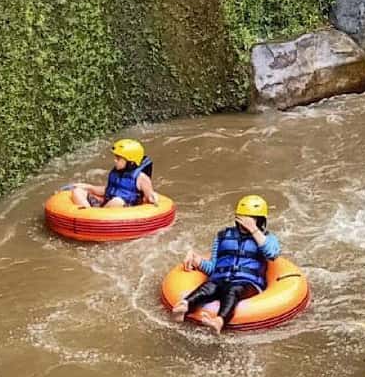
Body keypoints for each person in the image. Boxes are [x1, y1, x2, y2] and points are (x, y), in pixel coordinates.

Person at [172, 195, 281, 335]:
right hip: (220, 280)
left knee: (233, 289)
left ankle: (218, 321)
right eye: (242, 218)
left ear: (260, 221)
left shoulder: (268, 239)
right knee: (209, 287)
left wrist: (254, 230)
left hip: (247, 284)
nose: (245, 223)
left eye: (250, 219)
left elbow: (271, 254)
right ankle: (184, 306)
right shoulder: (223, 236)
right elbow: (213, 268)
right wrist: (196, 260)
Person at [70, 139, 158, 209]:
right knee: (77, 191)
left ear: (130, 162)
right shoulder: (116, 172)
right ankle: (89, 215)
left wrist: (152, 197)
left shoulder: (141, 178)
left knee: (117, 201)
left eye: (118, 158)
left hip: (125, 209)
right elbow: (108, 190)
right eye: (115, 157)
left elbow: (149, 196)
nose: (115, 160)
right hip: (107, 205)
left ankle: (96, 217)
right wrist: (89, 187)